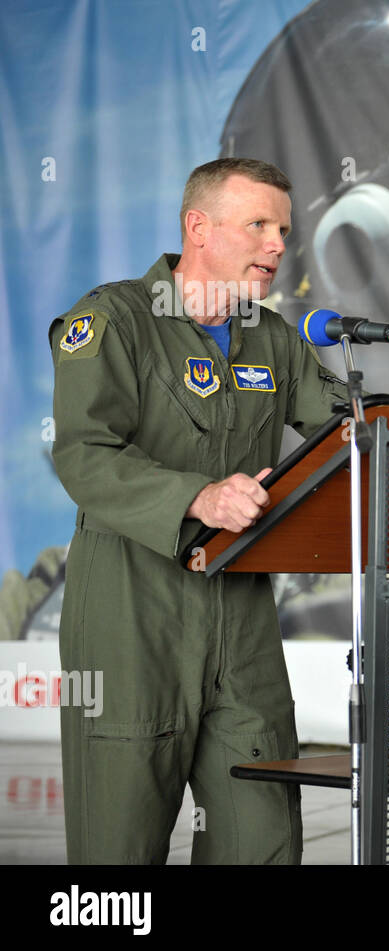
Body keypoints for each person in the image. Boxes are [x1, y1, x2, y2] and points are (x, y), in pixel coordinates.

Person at [49, 157, 349, 864]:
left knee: (262, 834)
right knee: (117, 852)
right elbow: (85, 454)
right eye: (258, 225)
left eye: (283, 228)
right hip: (132, 614)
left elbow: (350, 437)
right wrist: (198, 495)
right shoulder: (113, 319)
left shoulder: (271, 338)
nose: (278, 244)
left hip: (241, 617)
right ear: (198, 228)